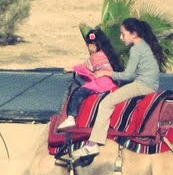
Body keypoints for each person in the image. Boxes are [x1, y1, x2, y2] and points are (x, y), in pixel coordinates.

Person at [73, 17, 165, 161]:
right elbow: (134, 73)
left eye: (123, 34)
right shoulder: (145, 46)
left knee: (106, 103)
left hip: (142, 85)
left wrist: (106, 73)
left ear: (133, 34)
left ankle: (93, 143)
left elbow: (127, 75)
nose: (121, 38)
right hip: (150, 84)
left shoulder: (136, 49)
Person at [57, 27, 120, 131]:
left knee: (78, 93)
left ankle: (71, 117)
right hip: (111, 83)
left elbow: (86, 68)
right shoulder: (109, 55)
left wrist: (72, 69)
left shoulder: (95, 56)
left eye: (89, 45)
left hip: (100, 83)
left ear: (93, 44)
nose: (88, 47)